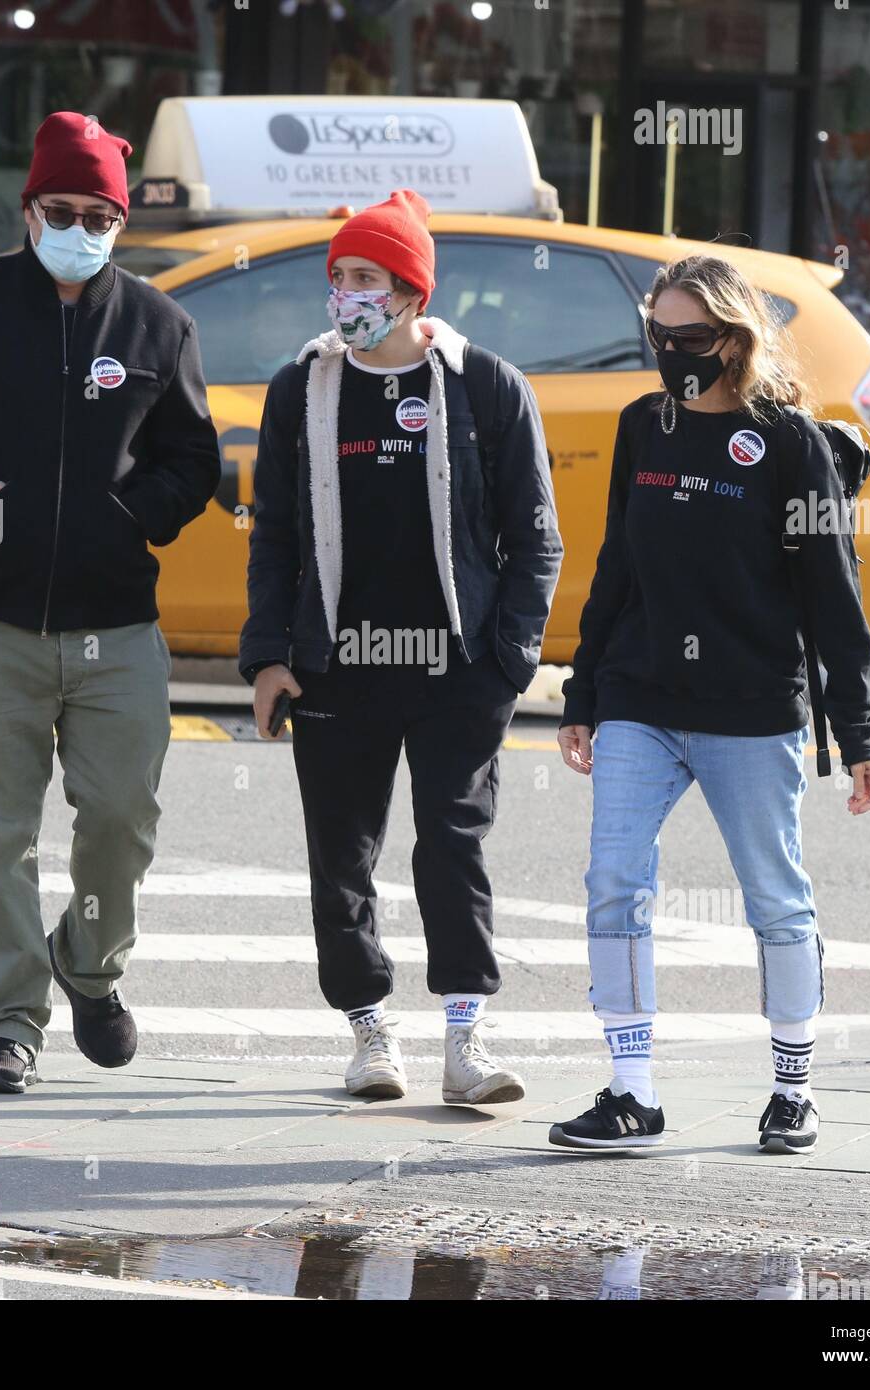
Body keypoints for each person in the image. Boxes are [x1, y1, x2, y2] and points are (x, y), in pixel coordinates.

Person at [0, 112, 222, 1094]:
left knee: (119, 815)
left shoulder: (157, 323)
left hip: (117, 626)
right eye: (61, 209)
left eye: (99, 213)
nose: (80, 227)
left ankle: (88, 964)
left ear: (118, 220)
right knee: (1, 832)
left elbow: (196, 460)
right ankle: (10, 1022)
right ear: (27, 210)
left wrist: (131, 515)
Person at [551, 253, 870, 1153]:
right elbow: (615, 564)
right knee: (614, 884)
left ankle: (791, 1089)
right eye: (655, 335)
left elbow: (832, 597)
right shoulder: (641, 427)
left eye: (688, 336)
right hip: (640, 696)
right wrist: (581, 694)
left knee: (774, 899)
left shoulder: (789, 444)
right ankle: (631, 1092)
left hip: (750, 705)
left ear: (734, 340)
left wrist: (855, 734)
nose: (669, 352)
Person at [239, 189, 562, 1105]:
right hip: (337, 664)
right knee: (340, 853)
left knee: (450, 846)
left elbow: (536, 536)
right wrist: (268, 656)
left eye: (368, 278)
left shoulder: (486, 385)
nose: (348, 295)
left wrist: (509, 657)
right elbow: (274, 536)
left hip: (458, 668)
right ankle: (368, 1032)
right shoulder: (300, 388)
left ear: (412, 292)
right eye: (338, 277)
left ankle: (466, 1039)